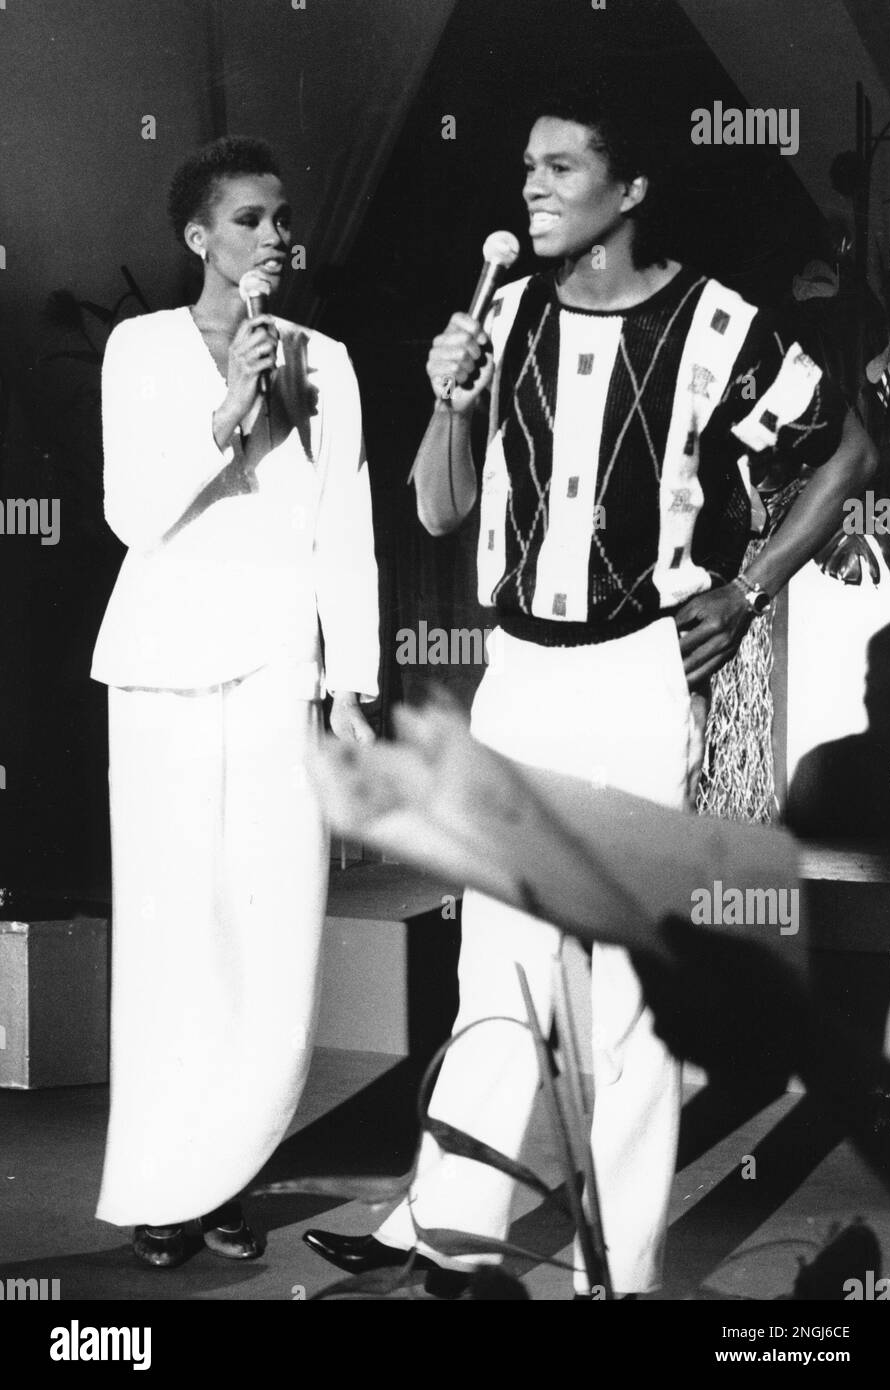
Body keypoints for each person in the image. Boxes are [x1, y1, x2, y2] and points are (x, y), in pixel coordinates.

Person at [304, 85, 875, 1298]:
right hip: (516, 675)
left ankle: (619, 1271)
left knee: (622, 991)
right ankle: (448, 1231)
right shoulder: (500, 314)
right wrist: (449, 397)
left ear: (632, 191)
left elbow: (845, 452)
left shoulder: (718, 323)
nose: (534, 186)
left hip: (634, 679)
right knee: (496, 970)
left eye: (563, 166)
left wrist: (754, 586)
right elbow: (439, 507)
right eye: (526, 167)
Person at [91, 136, 380, 1268]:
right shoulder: (139, 349)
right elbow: (127, 512)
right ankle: (165, 1185)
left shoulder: (331, 363)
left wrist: (350, 683)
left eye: (283, 217)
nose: (276, 236)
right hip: (162, 674)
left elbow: (342, 530)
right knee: (173, 934)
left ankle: (228, 1173)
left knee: (269, 935)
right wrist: (228, 410)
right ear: (199, 238)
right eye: (250, 218)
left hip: (276, 675)